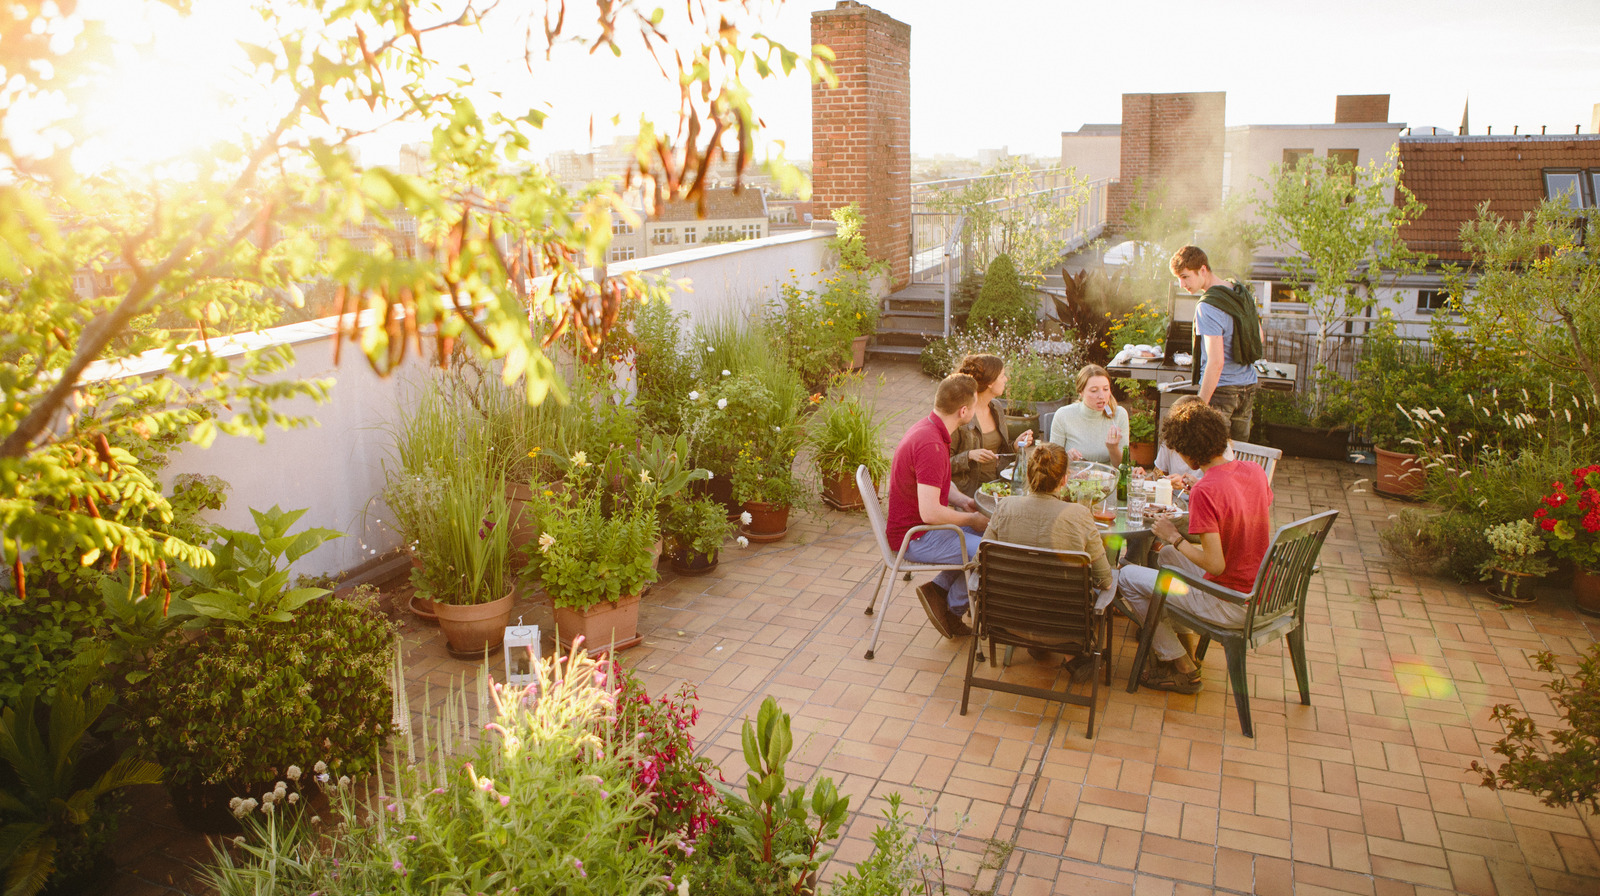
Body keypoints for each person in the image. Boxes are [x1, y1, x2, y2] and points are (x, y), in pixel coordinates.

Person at [1115, 400, 1274, 694]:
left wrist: (1172, 534)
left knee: (1126, 577)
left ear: (1187, 453)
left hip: (1230, 601)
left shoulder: (1205, 490)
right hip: (1261, 591)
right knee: (1168, 556)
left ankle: (1180, 666)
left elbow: (1215, 565)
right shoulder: (1253, 471)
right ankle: (1179, 635)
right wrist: (1198, 491)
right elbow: (1240, 510)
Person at [982, 441, 1115, 681]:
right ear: (1065, 480)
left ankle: (1043, 646)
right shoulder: (1079, 515)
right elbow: (1105, 580)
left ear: (1030, 474)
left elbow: (979, 562)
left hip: (1007, 622)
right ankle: (1071, 656)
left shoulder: (1005, 507)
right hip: (1065, 630)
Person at [886, 373, 989, 639]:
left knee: (990, 534)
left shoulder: (930, 428)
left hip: (919, 528)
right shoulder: (931, 445)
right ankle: (951, 611)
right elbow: (930, 513)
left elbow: (938, 487)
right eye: (974, 406)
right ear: (963, 410)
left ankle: (938, 590)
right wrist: (971, 520)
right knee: (991, 553)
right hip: (916, 537)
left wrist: (963, 501)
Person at [1170, 245, 1264, 440]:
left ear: (1203, 270)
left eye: (1185, 276)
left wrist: (1200, 406)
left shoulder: (1208, 306)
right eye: (1178, 278)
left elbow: (1216, 362)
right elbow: (1259, 338)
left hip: (1221, 392)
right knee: (1237, 457)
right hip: (1247, 387)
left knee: (1213, 458)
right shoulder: (1240, 293)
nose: (1181, 284)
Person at [949, 353, 1034, 497]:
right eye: (1003, 376)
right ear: (990, 382)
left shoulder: (996, 407)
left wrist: (1015, 446)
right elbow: (942, 465)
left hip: (997, 488)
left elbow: (1000, 451)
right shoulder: (961, 413)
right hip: (966, 494)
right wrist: (969, 455)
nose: (1006, 379)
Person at [1049, 364, 1128, 465]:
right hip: (1074, 477)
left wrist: (1113, 449)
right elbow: (1052, 462)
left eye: (1105, 389)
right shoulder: (1063, 415)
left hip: (1108, 478)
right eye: (1094, 390)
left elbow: (1123, 467)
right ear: (1081, 392)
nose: (1101, 396)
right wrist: (1066, 459)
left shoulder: (1119, 415)